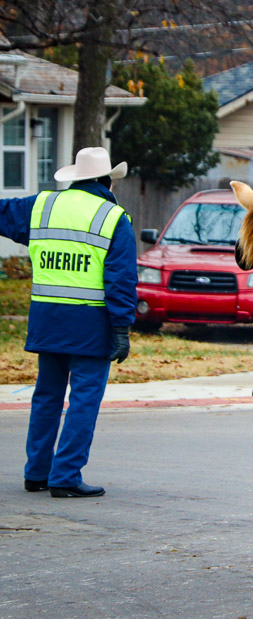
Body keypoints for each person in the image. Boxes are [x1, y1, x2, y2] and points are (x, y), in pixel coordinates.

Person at [0, 147, 137, 498]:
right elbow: (120, 280)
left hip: (47, 320)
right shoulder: (113, 217)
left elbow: (2, 213)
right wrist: (121, 329)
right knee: (84, 400)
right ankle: (65, 476)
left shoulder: (41, 206)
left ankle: (36, 473)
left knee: (47, 396)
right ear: (106, 181)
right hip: (90, 325)